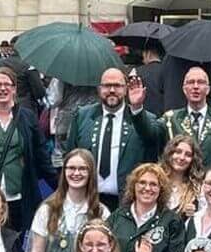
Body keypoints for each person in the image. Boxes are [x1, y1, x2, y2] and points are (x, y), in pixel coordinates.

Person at [66, 67, 165, 207]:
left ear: (126, 89)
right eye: (107, 85)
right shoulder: (82, 116)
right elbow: (70, 157)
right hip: (88, 201)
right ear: (99, 89)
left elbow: (153, 138)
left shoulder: (142, 119)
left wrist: (137, 108)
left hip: (127, 204)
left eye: (117, 85)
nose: (112, 90)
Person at [0, 64, 50, 223]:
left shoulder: (27, 117)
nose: (2, 88)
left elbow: (41, 153)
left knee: (16, 241)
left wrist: (58, 187)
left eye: (7, 85)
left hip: (19, 194)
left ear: (14, 89)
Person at [160, 66, 211, 174]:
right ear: (184, 89)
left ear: (208, 89)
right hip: (182, 184)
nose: (195, 86)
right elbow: (149, 131)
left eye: (201, 82)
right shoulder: (171, 119)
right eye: (191, 82)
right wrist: (137, 109)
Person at [158, 135, 203, 214]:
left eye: (188, 155)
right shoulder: (156, 180)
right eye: (178, 152)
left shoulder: (197, 189)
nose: (182, 158)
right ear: (170, 154)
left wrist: (194, 215)